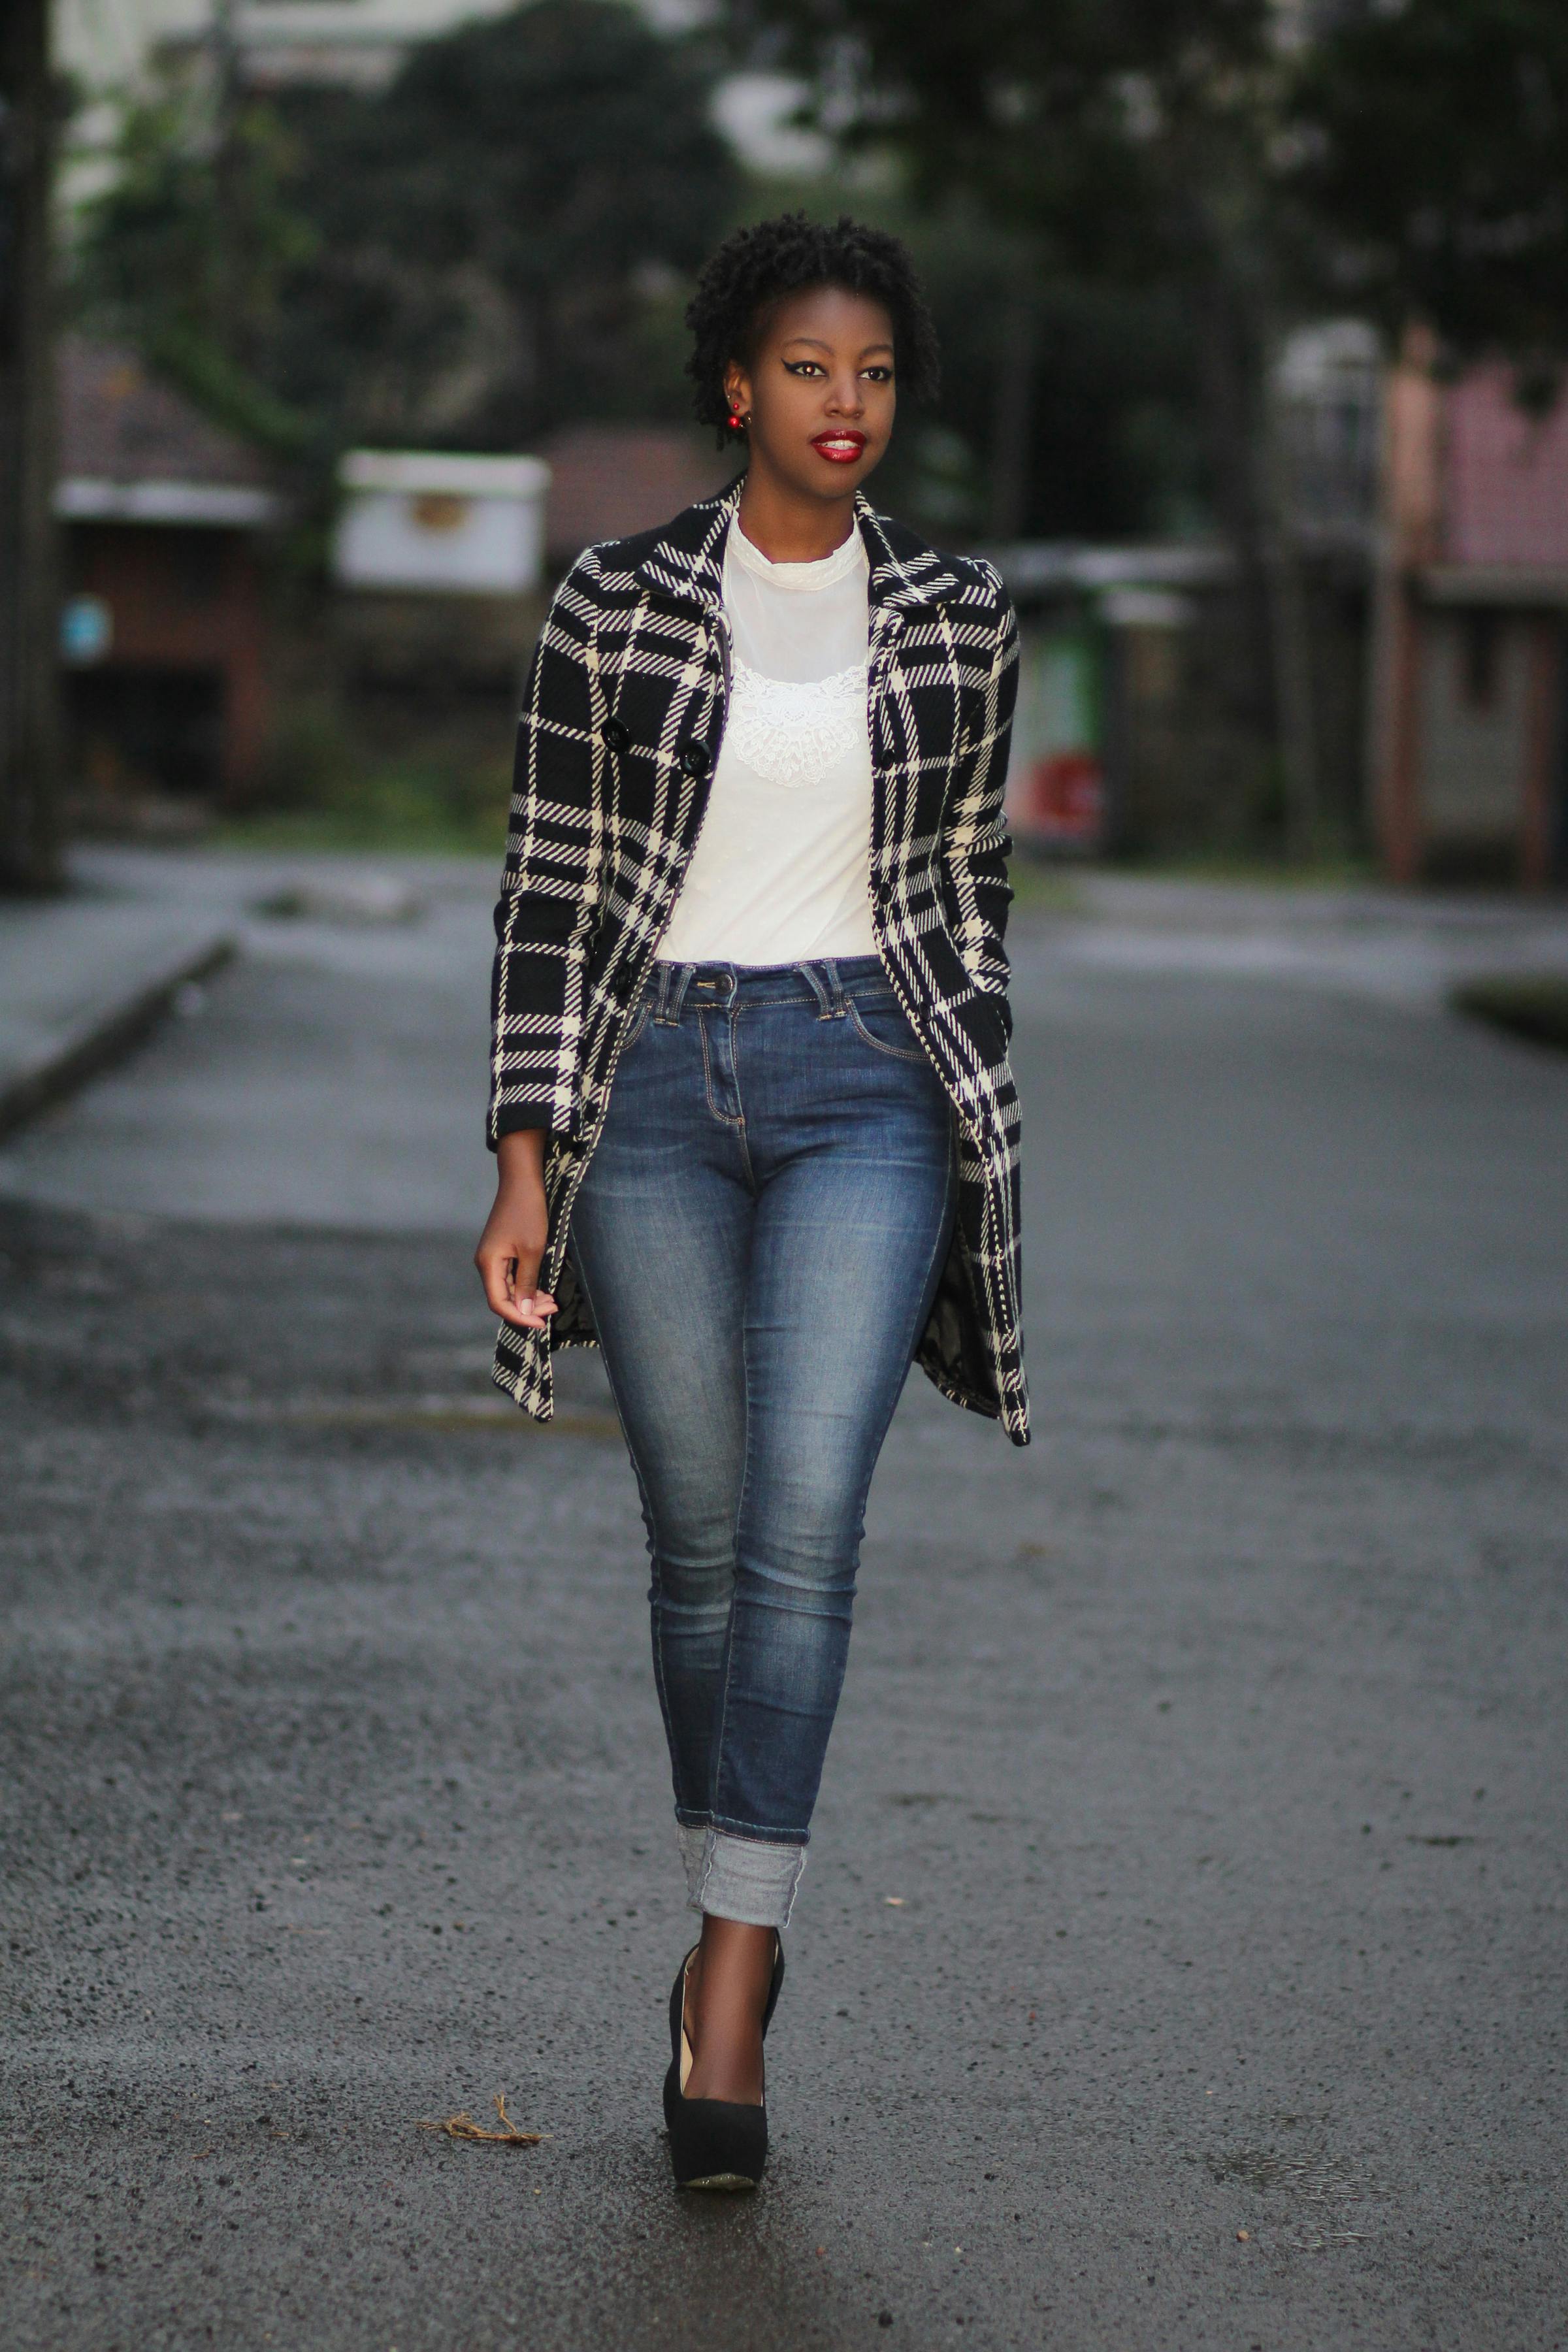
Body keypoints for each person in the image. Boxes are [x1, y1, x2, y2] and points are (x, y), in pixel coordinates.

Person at [474, 213, 1028, 2191]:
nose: (843, 402)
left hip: (866, 1084)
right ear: (739, 386)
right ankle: (740, 1888)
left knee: (804, 1526)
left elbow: (967, 875)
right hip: (648, 1090)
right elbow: (548, 889)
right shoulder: (614, 601)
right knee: (699, 1548)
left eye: (872, 371)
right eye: (807, 368)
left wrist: (963, 1042)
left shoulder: (962, 614)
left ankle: (731, 1970)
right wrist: (525, 1155)